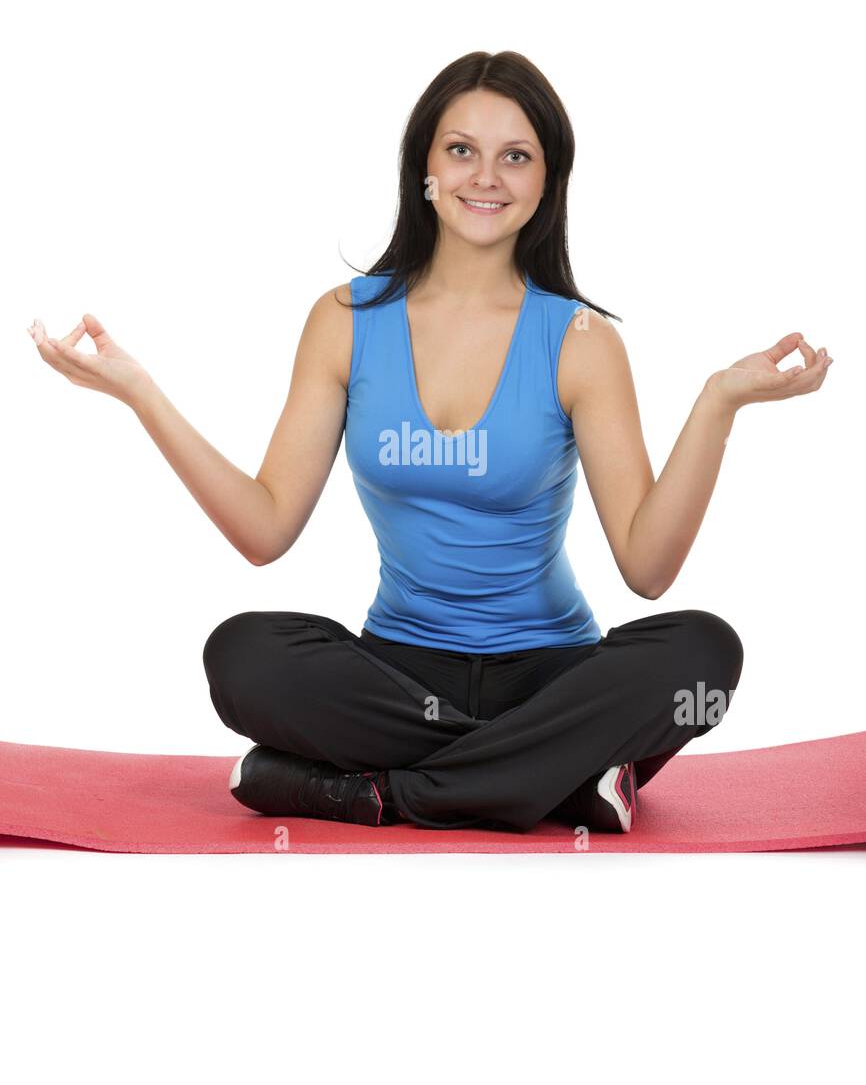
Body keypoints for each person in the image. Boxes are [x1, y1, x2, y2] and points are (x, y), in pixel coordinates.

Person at [27, 50, 833, 835]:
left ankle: (372, 794)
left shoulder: (580, 339)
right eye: (462, 151)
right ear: (424, 168)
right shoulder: (344, 321)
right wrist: (140, 393)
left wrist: (718, 402)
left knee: (701, 657)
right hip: (397, 679)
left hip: (554, 679)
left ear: (548, 181)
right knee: (242, 656)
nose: (486, 176)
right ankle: (560, 782)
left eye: (516, 156)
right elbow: (264, 529)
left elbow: (647, 570)